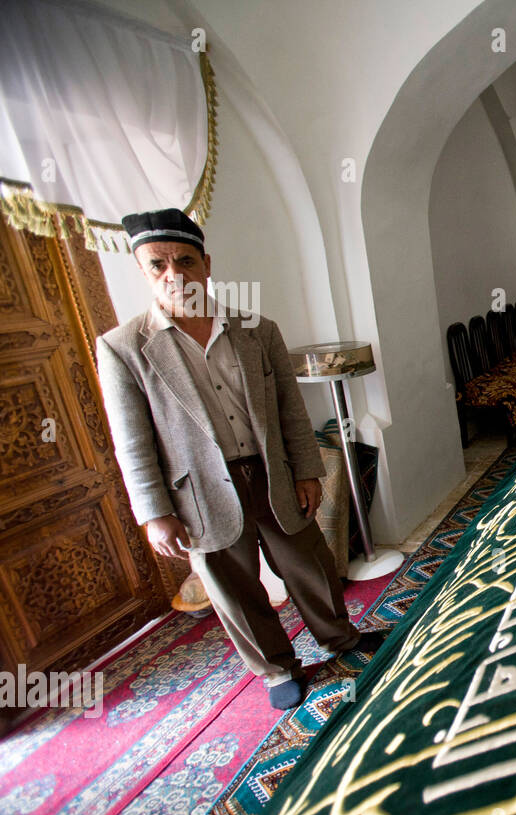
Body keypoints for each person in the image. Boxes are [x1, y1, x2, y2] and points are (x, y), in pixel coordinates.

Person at [96, 208, 385, 711]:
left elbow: (290, 407)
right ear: (141, 271)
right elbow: (132, 440)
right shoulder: (124, 349)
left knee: (310, 563)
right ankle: (276, 668)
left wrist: (307, 468)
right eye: (157, 264)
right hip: (198, 492)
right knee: (234, 588)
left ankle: (339, 637)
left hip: (271, 472)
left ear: (206, 264)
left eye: (185, 260)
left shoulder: (257, 329)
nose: (174, 274)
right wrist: (154, 513)